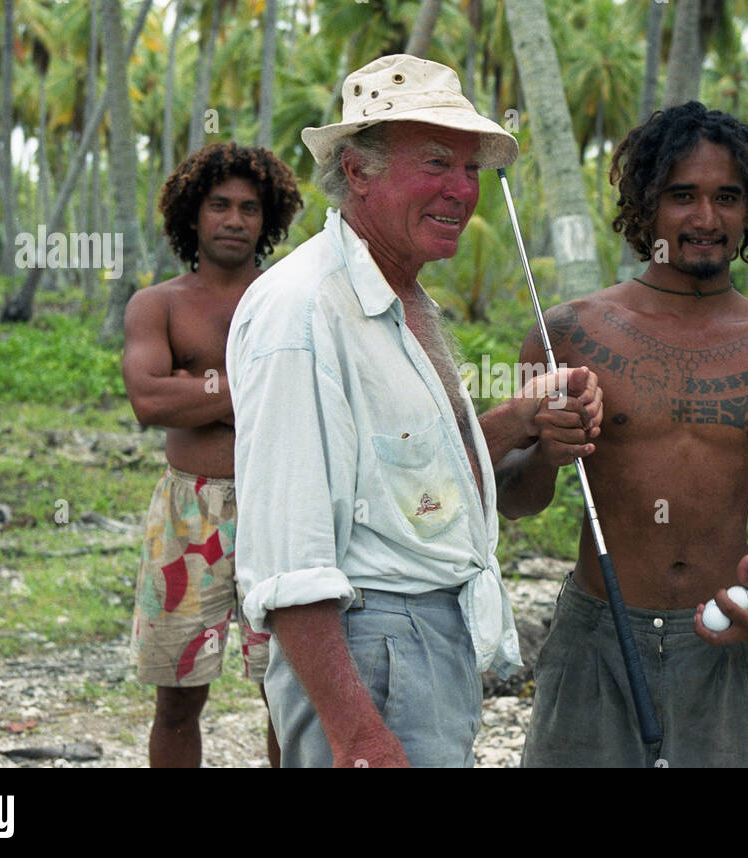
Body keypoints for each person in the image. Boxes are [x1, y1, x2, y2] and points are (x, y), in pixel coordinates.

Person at [226, 55, 603, 768]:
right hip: (371, 651)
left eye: (471, 168)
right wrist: (359, 736)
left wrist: (523, 419)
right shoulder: (303, 313)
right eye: (435, 162)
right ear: (357, 170)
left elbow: (410, 480)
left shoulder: (403, 300)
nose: (461, 189)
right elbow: (289, 558)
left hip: (422, 647)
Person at [501, 102, 748, 767]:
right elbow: (515, 500)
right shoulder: (568, 334)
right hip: (595, 636)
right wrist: (545, 454)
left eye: (727, 197)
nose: (706, 218)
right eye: (682, 196)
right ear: (646, 206)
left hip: (720, 639)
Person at [123, 142, 302, 767]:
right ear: (192, 215)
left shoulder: (289, 299)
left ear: (268, 218)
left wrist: (196, 390)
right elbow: (149, 398)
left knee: (289, 693)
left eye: (249, 208)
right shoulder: (159, 304)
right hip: (188, 512)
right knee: (177, 697)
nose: (234, 220)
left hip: (278, 504)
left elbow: (308, 398)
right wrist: (253, 386)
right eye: (219, 205)